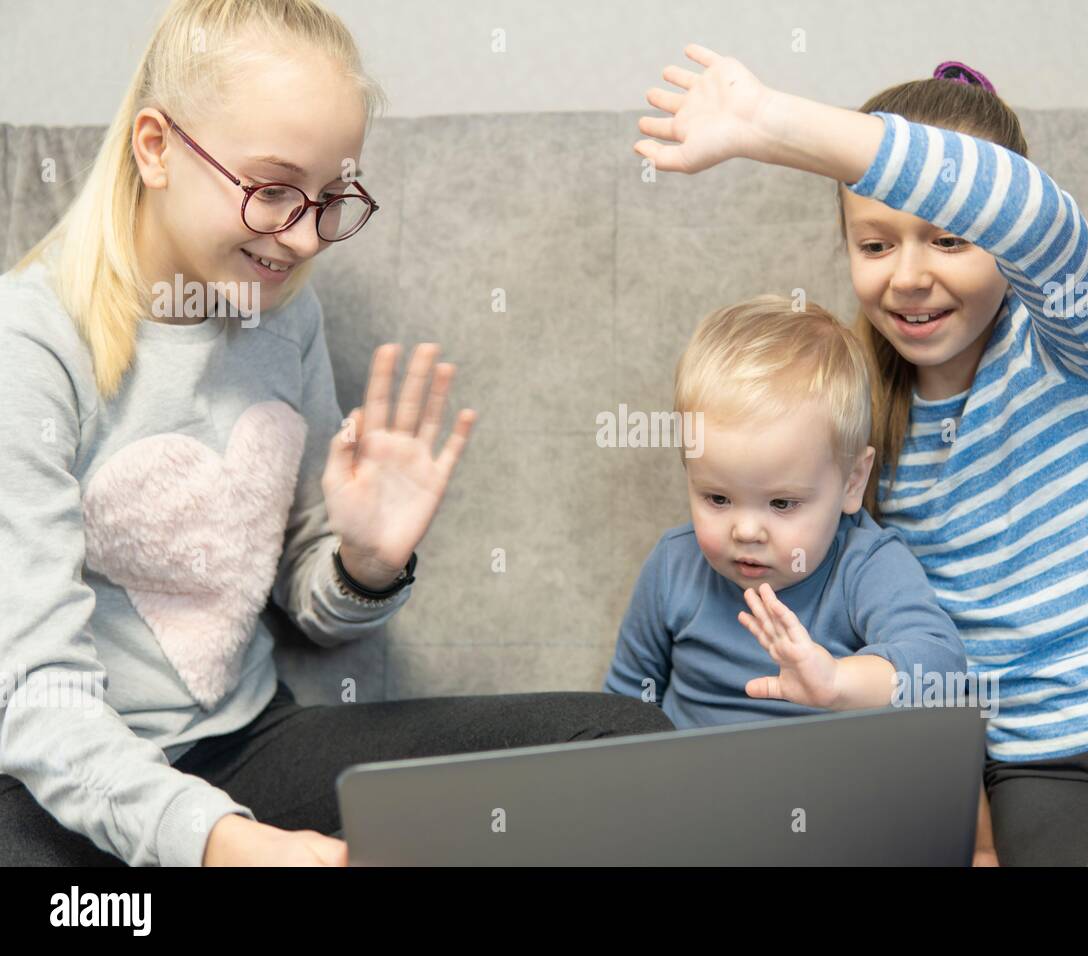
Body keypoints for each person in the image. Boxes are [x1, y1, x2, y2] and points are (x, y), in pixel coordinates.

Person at [0, 0, 670, 868]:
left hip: (246, 746)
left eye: (330, 199)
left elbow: (305, 594)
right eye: (274, 190)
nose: (305, 236)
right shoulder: (30, 345)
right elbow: (38, 698)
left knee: (623, 744)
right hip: (57, 788)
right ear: (156, 147)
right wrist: (220, 843)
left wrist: (364, 563)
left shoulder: (285, 315)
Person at [630, 44, 1088, 865]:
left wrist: (770, 123)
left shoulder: (1073, 341)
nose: (909, 277)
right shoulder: (854, 439)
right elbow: (890, 644)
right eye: (875, 245)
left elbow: (1034, 213)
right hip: (1040, 768)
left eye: (949, 240)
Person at [603, 294, 967, 729]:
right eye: (717, 499)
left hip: (823, 773)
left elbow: (941, 665)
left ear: (852, 482)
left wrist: (837, 682)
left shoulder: (864, 566)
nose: (746, 530)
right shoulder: (673, 567)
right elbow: (625, 702)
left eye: (781, 503)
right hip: (689, 771)